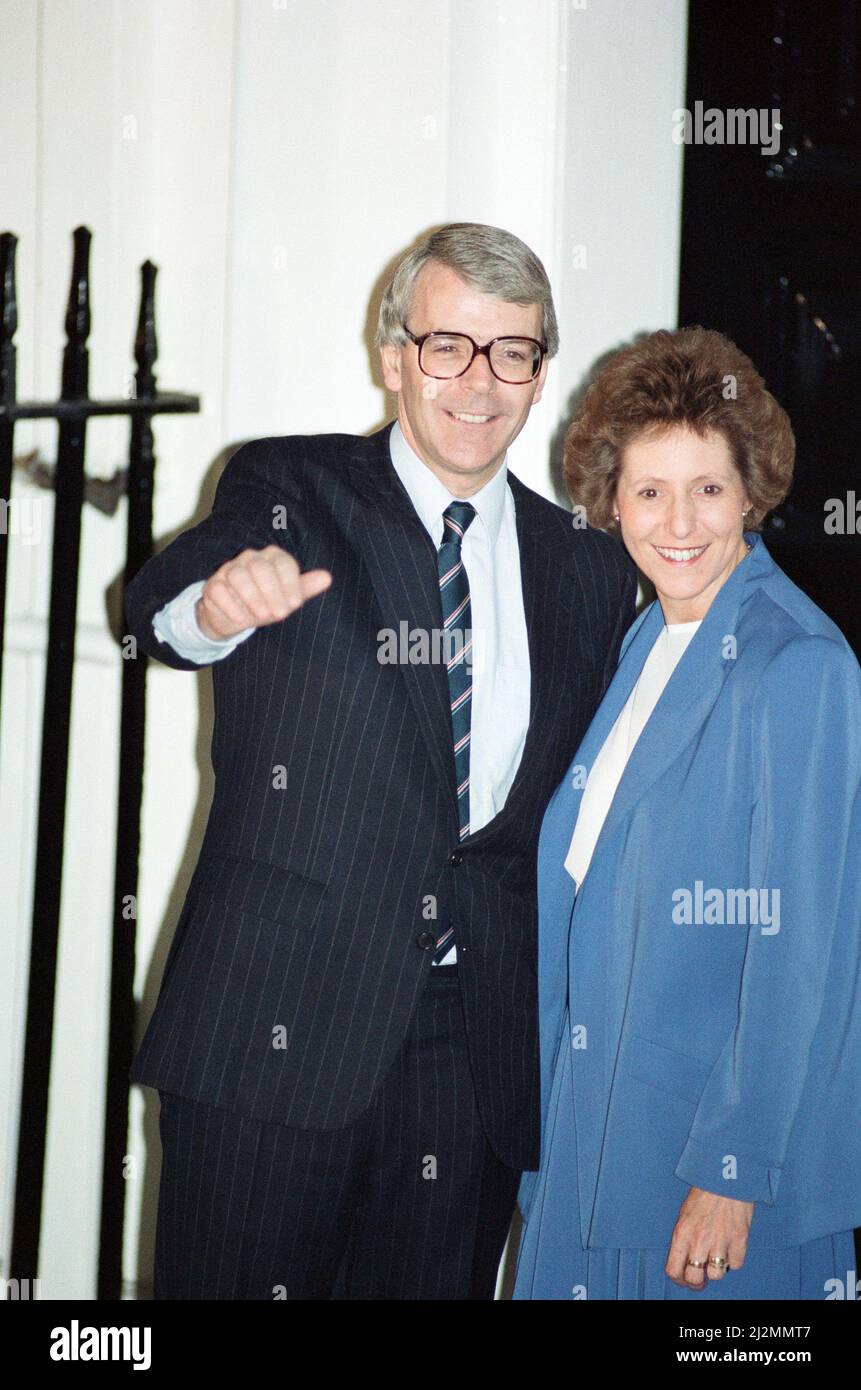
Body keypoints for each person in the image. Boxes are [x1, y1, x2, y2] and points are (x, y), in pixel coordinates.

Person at [123, 222, 636, 1300]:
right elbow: (157, 608)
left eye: (513, 351)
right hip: (276, 1037)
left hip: (473, 1060)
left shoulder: (587, 566)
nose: (479, 380)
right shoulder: (292, 489)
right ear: (394, 355)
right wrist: (213, 607)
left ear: (541, 372)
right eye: (448, 344)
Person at [513, 326, 861, 1301]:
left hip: (703, 1191)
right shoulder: (646, 643)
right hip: (594, 1148)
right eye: (649, 490)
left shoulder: (802, 664)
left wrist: (733, 1168)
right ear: (610, 499)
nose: (679, 522)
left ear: (750, 492)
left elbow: (807, 949)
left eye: (707, 488)